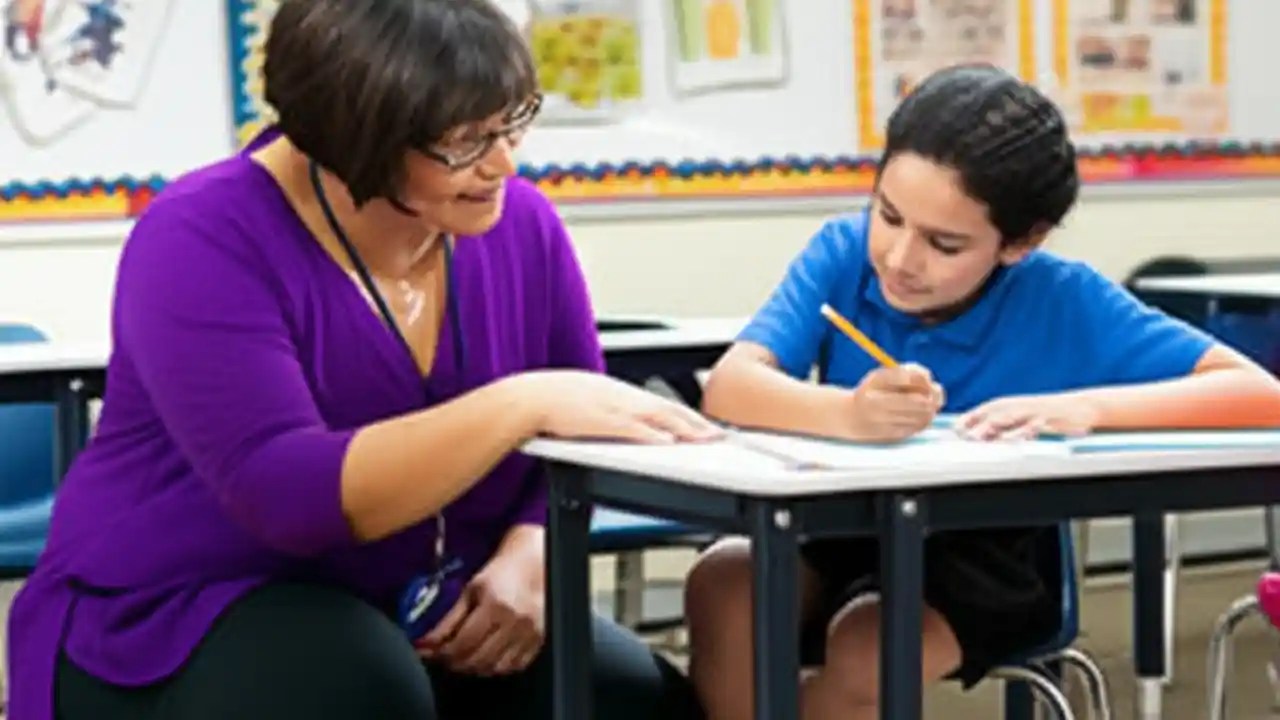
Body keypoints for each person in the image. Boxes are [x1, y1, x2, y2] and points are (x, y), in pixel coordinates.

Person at [6, 1, 721, 718]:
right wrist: (518, 404)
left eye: (512, 120)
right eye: (464, 141)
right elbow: (286, 496)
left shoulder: (520, 223)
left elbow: (577, 433)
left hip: (427, 598)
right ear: (355, 139)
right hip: (183, 605)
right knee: (359, 683)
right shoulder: (199, 237)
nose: (505, 161)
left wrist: (530, 554)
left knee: (630, 697)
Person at [683, 63, 1280, 720]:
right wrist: (848, 413)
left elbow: (1259, 395)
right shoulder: (844, 252)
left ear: (1022, 242)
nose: (902, 259)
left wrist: (1091, 408)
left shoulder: (1061, 296)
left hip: (984, 558)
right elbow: (732, 387)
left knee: (868, 645)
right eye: (888, 215)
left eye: (944, 243)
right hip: (842, 524)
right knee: (725, 583)